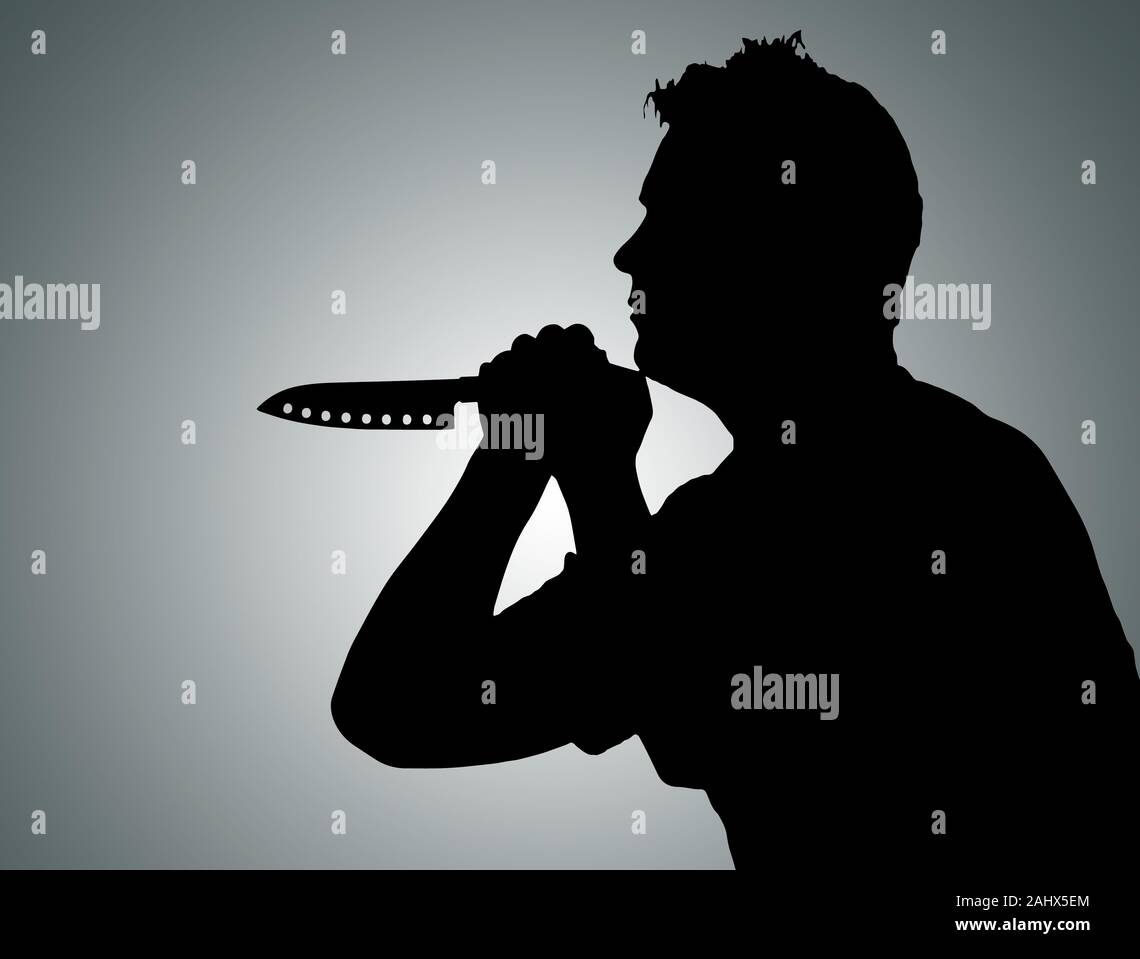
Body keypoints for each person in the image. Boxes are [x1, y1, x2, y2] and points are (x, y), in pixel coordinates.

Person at [331, 33, 1138, 873]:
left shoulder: (962, 482)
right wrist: (516, 460)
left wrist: (574, 470)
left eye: (668, 215)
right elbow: (395, 704)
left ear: (776, 245)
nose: (628, 254)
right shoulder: (709, 530)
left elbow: (707, 706)